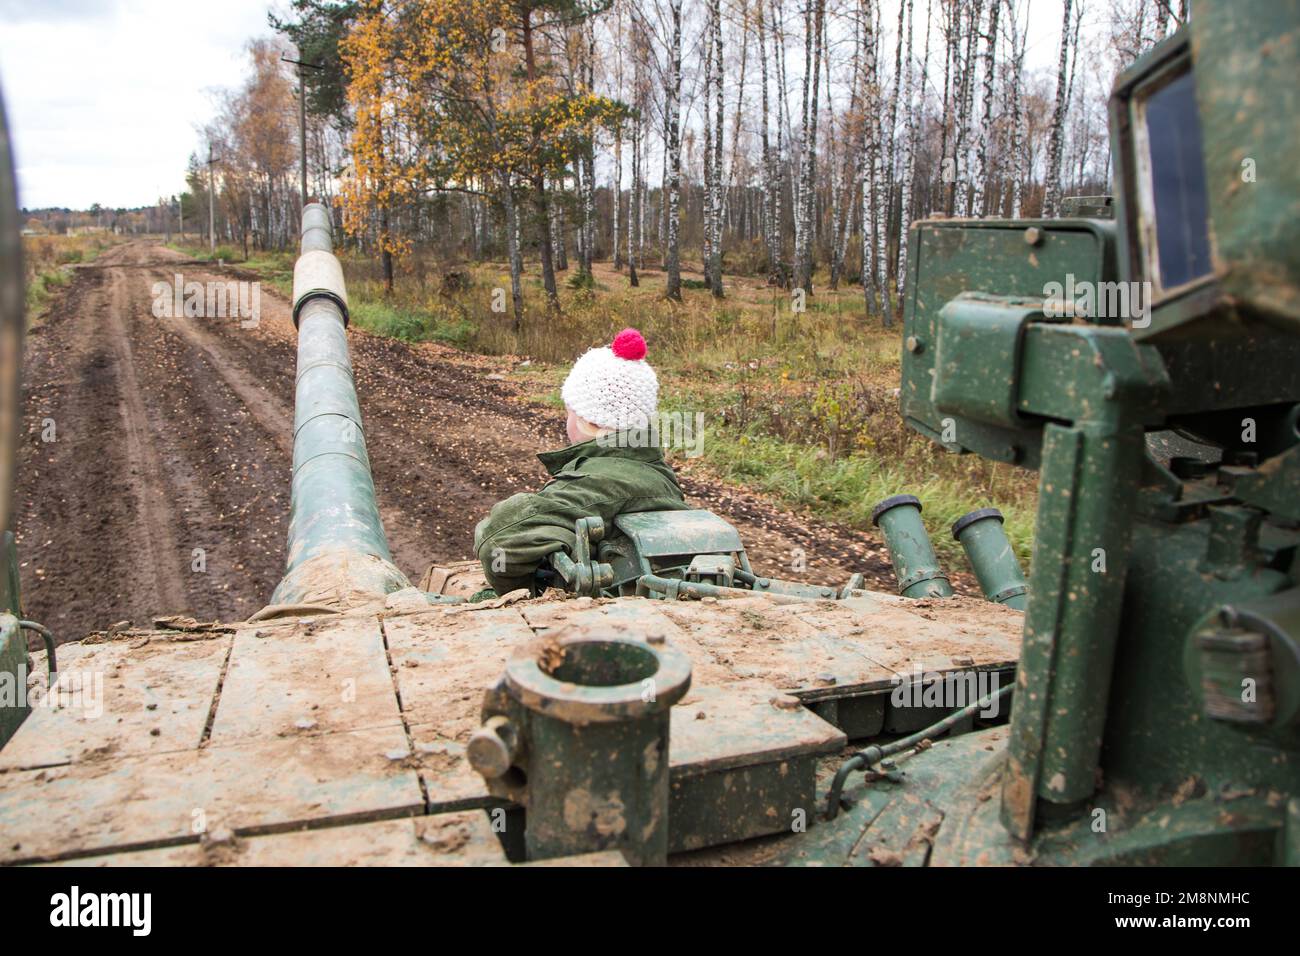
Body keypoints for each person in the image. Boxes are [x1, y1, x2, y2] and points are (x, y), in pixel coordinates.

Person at [473, 328, 690, 596]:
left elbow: (498, 538)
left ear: (591, 420)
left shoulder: (597, 483)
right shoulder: (657, 475)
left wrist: (532, 590)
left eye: (570, 413)